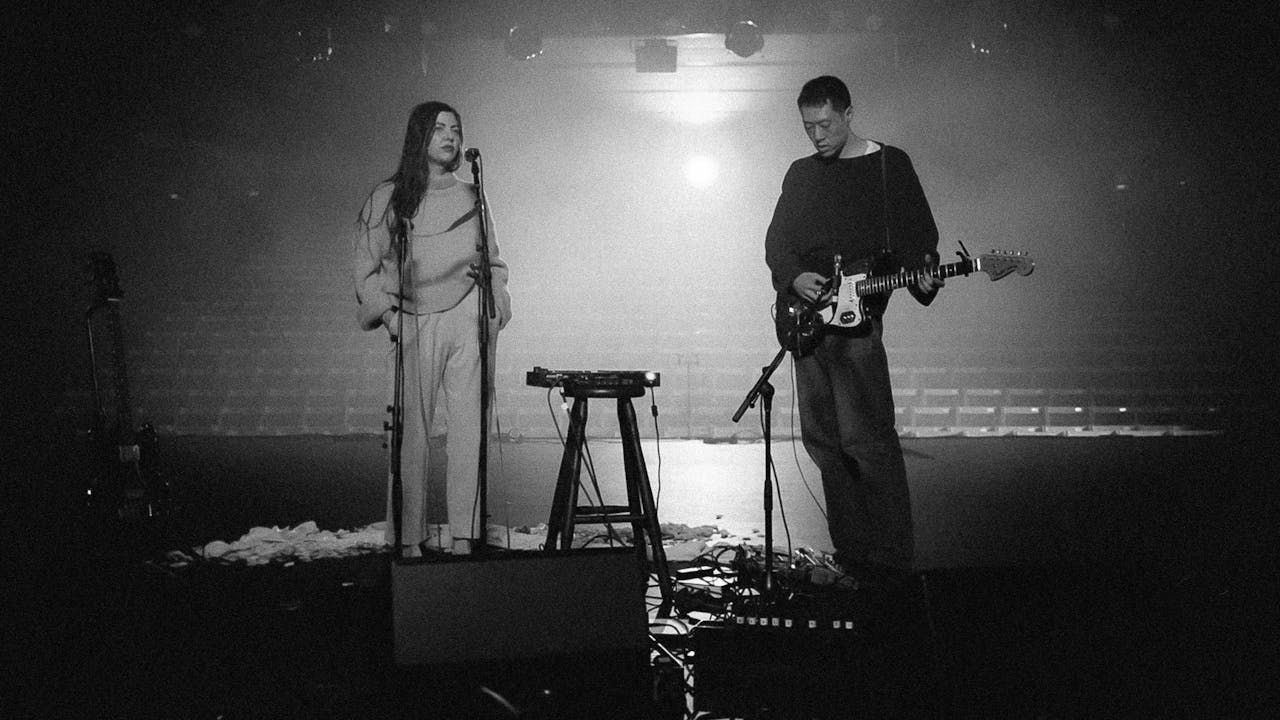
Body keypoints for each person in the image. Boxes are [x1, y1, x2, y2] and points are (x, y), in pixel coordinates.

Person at [765, 75, 942, 587]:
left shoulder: (890, 166)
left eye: (824, 124)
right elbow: (778, 242)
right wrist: (794, 276)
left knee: (868, 440)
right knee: (823, 442)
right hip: (809, 322)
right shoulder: (801, 175)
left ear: (847, 113)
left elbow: (918, 237)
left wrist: (924, 270)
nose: (816, 136)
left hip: (860, 324)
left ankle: (893, 557)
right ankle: (852, 552)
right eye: (807, 127)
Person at [353, 101, 511, 557]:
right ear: (419, 137)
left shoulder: (472, 195)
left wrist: (494, 306)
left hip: (466, 315)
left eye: (456, 129)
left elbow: (495, 261)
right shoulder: (389, 196)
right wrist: (390, 316)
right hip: (413, 319)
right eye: (440, 128)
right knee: (412, 434)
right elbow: (365, 264)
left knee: (469, 429)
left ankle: (465, 534)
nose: (450, 137)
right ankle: (408, 538)